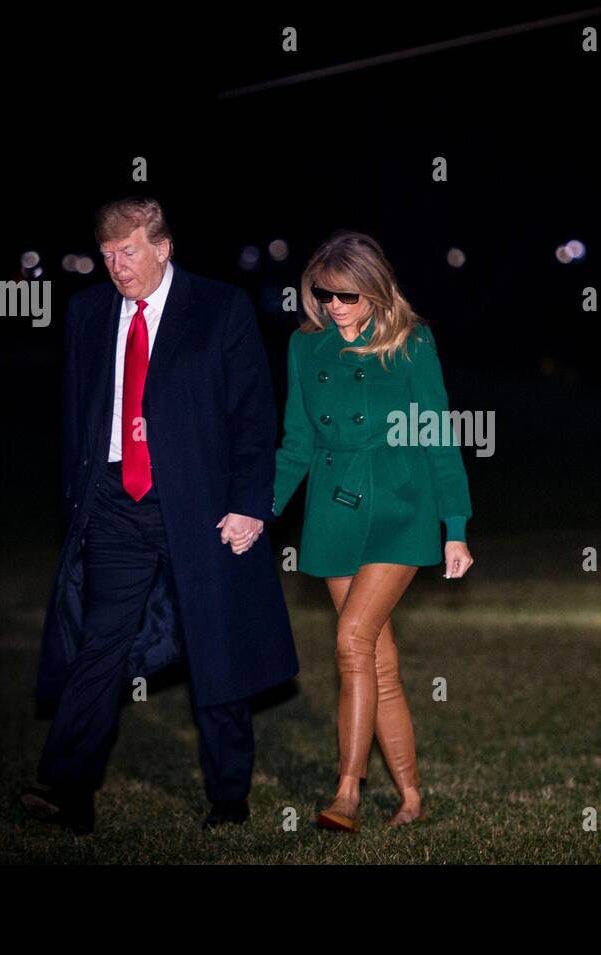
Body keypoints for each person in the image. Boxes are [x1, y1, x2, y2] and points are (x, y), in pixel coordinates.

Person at [21, 197, 298, 834]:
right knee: (99, 646)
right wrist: (77, 505)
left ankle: (228, 799)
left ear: (163, 247)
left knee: (215, 646)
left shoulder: (220, 308)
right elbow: (76, 418)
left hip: (200, 506)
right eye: (108, 255)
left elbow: (254, 418)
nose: (117, 267)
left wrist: (249, 504)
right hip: (116, 502)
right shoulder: (88, 313)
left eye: (129, 252)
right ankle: (69, 793)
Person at [262, 229, 475, 831]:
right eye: (323, 294)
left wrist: (454, 527)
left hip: (400, 510)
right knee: (377, 662)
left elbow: (437, 435)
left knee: (351, 642)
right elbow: (297, 444)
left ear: (376, 294)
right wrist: (262, 510)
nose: (333, 306)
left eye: (347, 296)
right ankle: (410, 796)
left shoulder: (412, 343)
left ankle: (347, 793)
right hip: (334, 512)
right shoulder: (305, 349)